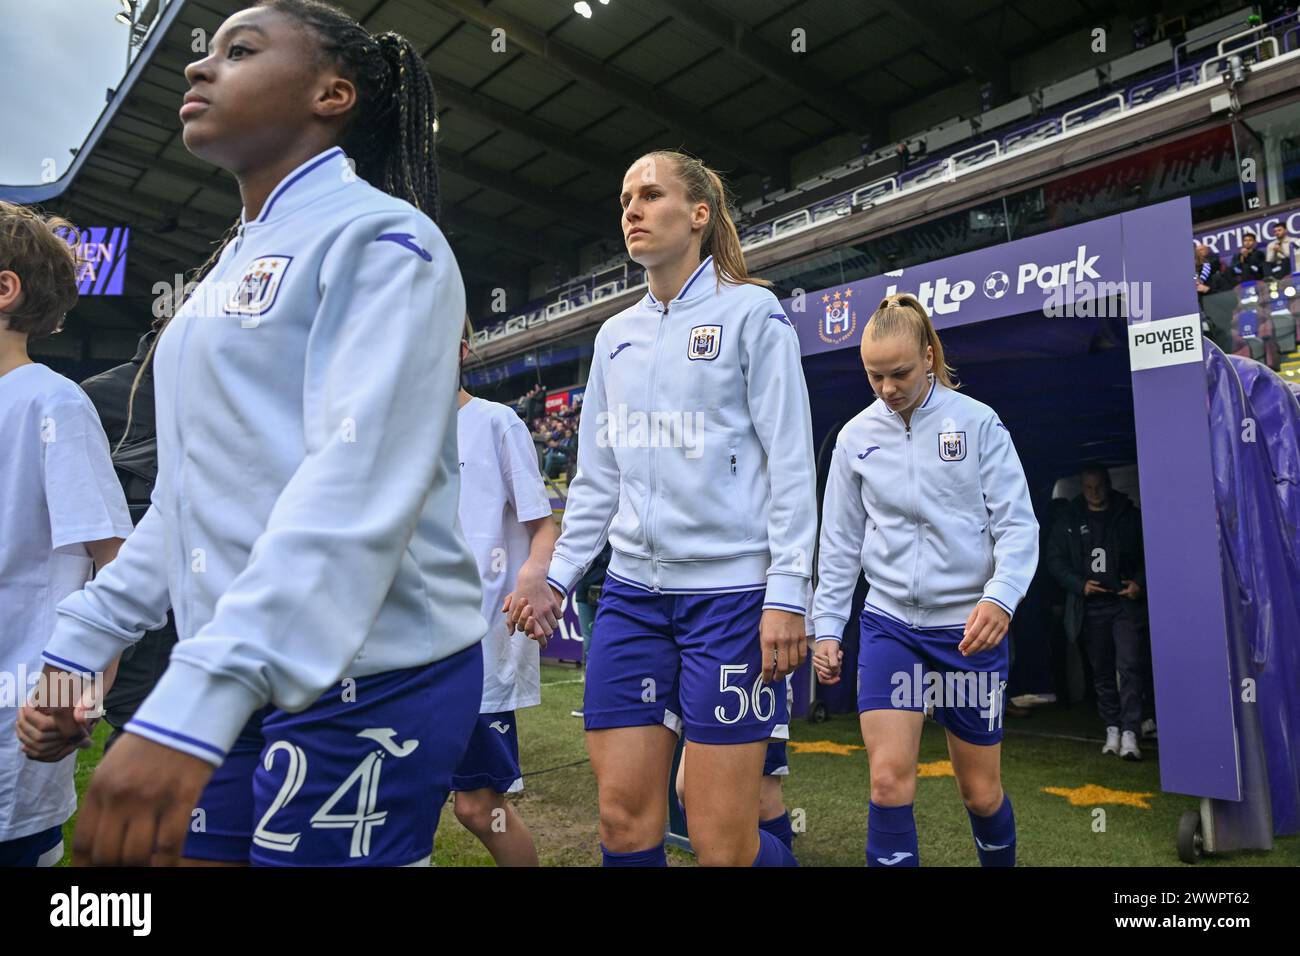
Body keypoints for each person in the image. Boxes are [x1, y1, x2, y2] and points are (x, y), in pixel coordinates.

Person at [24, 0, 485, 867]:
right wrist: (80, 642)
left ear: (331, 93)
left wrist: (195, 697)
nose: (199, 68)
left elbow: (355, 483)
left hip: (371, 676)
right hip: (236, 671)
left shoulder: (384, 239)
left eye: (239, 51)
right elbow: (187, 498)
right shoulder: (216, 279)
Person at [507, 149, 818, 868]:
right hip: (632, 601)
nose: (633, 211)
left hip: (732, 601)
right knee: (621, 821)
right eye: (624, 200)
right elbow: (598, 480)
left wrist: (788, 593)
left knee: (720, 843)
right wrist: (556, 577)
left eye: (650, 195)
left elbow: (792, 466)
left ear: (699, 214)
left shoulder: (751, 314)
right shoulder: (614, 337)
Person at [812, 293, 1039, 868]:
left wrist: (1001, 597)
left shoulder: (978, 423)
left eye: (900, 373)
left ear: (931, 355)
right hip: (890, 627)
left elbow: (1017, 525)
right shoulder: (854, 437)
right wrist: (828, 626)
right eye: (874, 376)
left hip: (970, 632)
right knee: (888, 783)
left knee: (980, 794)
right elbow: (839, 542)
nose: (887, 388)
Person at [1, 201, 133, 866]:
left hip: (11, 745)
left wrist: (67, 704)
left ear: (5, 290)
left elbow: (115, 573)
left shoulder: (51, 403)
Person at [447, 332, 557, 867]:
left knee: (477, 804)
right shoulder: (388, 432)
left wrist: (534, 575)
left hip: (479, 647)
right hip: (401, 647)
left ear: (461, 347)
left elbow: (544, 527)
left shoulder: (496, 422)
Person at [76, 328, 179, 750]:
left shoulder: (220, 386)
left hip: (156, 562)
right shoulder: (94, 396)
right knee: (139, 712)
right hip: (127, 558)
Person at [1045, 467, 1149, 760]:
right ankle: (1112, 727)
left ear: (1109, 484)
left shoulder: (1129, 515)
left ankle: (1131, 731)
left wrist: (1139, 583)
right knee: (1101, 670)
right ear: (1082, 487)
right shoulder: (1069, 519)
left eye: (1100, 486)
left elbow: (1150, 551)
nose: (1095, 493)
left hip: (1124, 603)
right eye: (1089, 488)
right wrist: (1079, 585)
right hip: (1090, 607)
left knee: (1128, 666)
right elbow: (1054, 560)